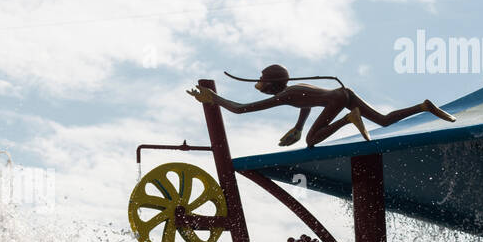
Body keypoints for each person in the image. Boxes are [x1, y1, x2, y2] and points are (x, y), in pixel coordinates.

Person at [188, 64, 454, 148]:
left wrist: (214, 98)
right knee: (383, 120)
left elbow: (241, 109)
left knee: (313, 142)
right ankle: (423, 106)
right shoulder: (295, 92)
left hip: (337, 100)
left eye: (262, 81)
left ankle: (350, 120)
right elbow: (307, 107)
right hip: (344, 93)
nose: (259, 84)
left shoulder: (284, 96)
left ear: (271, 85)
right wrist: (298, 128)